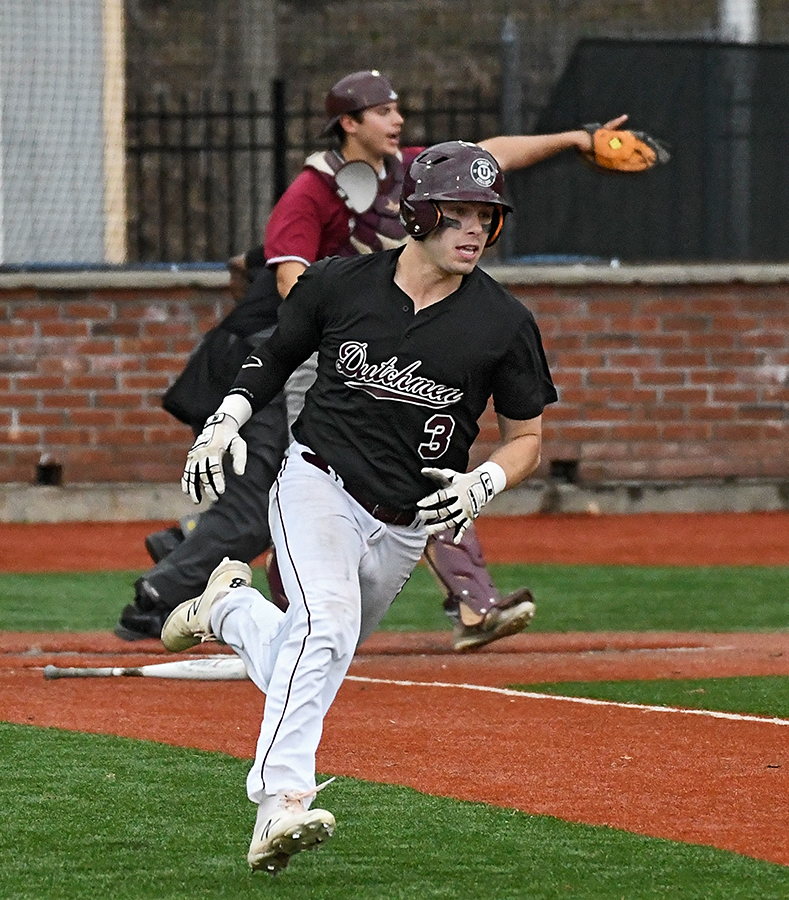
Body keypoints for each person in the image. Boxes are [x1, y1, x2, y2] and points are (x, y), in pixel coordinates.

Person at [119, 69, 627, 651]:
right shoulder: (312, 191)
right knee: (301, 485)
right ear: (348, 123)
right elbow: (291, 290)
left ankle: (227, 588)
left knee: (407, 463)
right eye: (383, 111)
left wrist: (576, 139)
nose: (398, 119)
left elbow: (491, 156)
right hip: (305, 349)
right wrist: (372, 311)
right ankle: (185, 588)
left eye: (397, 108)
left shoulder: (411, 174)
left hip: (376, 340)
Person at [164, 142, 556, 873]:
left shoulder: (503, 322)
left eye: (487, 216)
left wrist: (483, 483)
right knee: (326, 629)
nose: (475, 229)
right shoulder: (340, 283)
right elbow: (275, 355)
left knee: (311, 654)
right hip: (318, 483)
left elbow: (527, 439)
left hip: (407, 523)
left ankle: (229, 610)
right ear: (419, 214)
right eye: (459, 213)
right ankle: (280, 804)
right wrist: (226, 420)